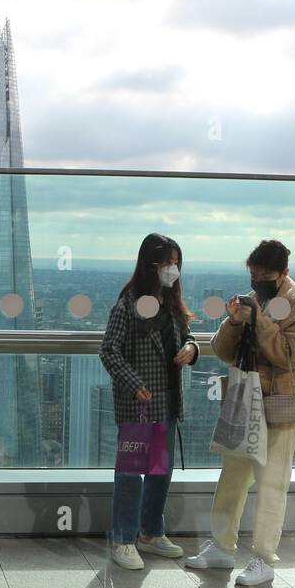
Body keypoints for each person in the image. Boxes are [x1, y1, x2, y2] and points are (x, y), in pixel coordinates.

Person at [187, 239, 295, 586]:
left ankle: (263, 559)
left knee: (272, 484)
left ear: (284, 273)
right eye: (253, 275)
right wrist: (233, 322)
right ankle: (222, 546)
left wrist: (259, 321)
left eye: (265, 275)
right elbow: (221, 350)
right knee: (231, 479)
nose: (258, 281)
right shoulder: (253, 301)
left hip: (278, 409)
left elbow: (288, 356)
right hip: (246, 403)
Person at [99, 232, 199, 570]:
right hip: (139, 405)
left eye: (176, 263)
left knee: (161, 471)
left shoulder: (170, 302)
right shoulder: (128, 303)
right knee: (131, 473)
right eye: (166, 262)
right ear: (149, 263)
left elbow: (186, 335)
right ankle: (122, 538)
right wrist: (133, 383)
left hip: (167, 402)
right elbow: (109, 350)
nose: (172, 269)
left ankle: (150, 532)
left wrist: (192, 348)